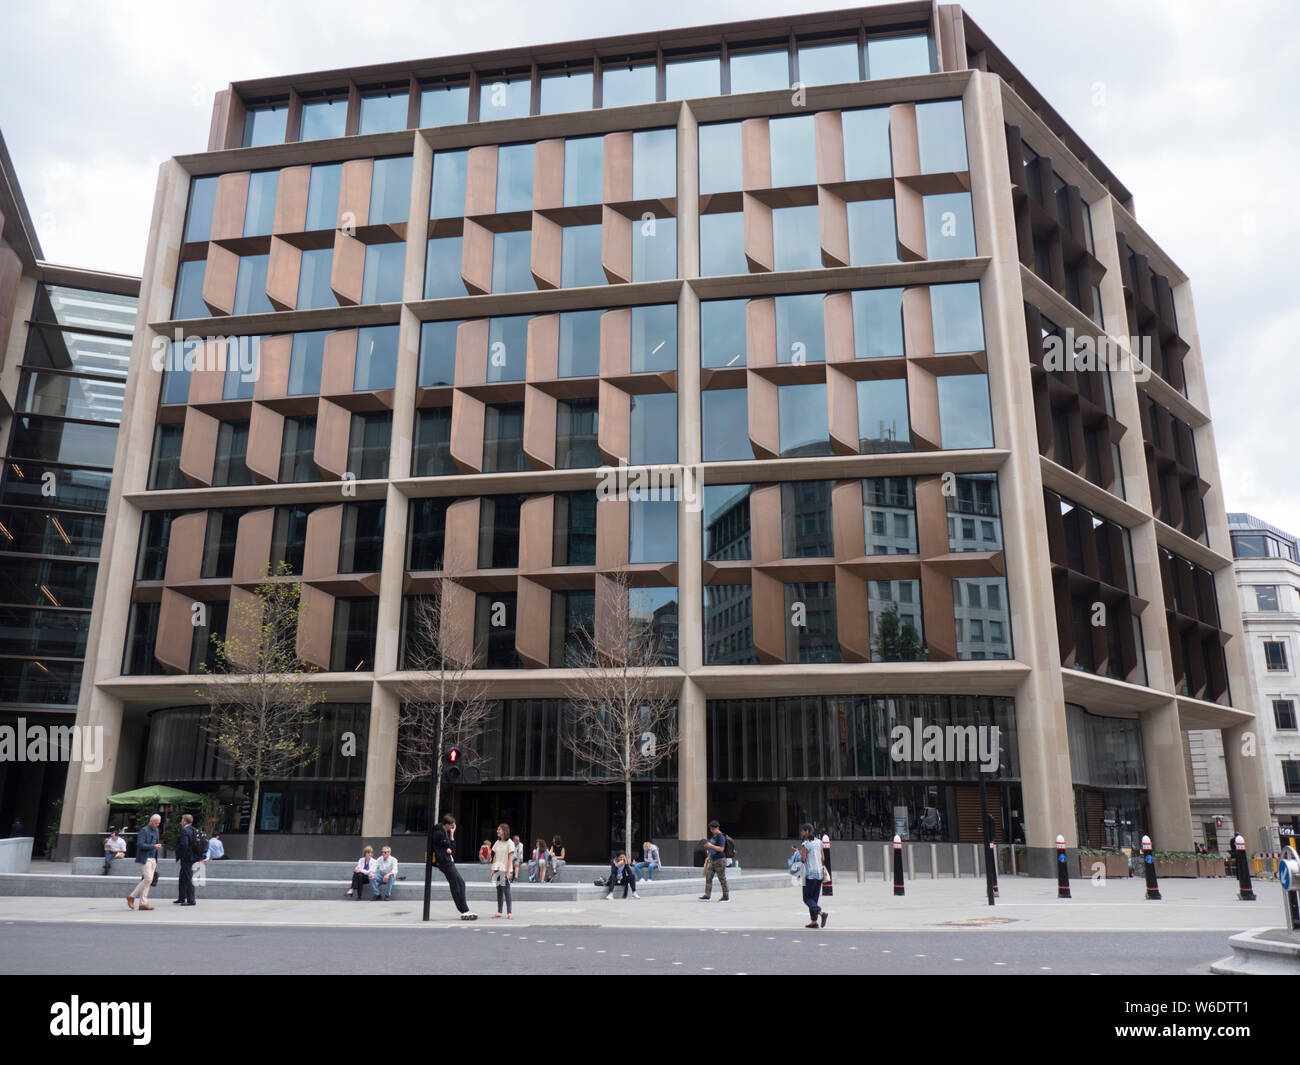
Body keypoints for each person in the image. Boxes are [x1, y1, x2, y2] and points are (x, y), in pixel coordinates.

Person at [432, 813, 476, 920]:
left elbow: (451, 849)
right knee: (456, 885)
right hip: (445, 862)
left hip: (447, 861)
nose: (452, 827)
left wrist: (449, 848)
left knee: (460, 883)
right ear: (447, 824)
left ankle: (464, 909)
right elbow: (450, 846)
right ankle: (464, 910)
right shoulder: (440, 833)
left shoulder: (443, 832)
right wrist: (452, 835)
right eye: (452, 825)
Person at [127, 813, 162, 911]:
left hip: (153, 858)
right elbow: (140, 844)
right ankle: (131, 896)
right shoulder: (144, 830)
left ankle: (143, 903)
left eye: (158, 823)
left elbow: (155, 842)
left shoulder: (156, 830)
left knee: (149, 881)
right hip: (145, 858)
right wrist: (153, 846)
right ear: (150, 821)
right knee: (148, 878)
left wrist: (156, 847)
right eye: (155, 823)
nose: (157, 825)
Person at [798, 822, 828, 929]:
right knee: (814, 898)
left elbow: (803, 858)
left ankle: (821, 913)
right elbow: (823, 858)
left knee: (806, 898)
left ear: (807, 831)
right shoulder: (819, 842)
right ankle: (814, 921)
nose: (802, 833)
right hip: (819, 874)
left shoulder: (805, 844)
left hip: (809, 874)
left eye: (803, 831)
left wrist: (798, 853)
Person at [174, 813, 204, 906]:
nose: (180, 822)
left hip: (186, 858)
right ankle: (181, 897)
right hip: (193, 857)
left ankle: (191, 900)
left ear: (184, 821)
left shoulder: (185, 831)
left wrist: (180, 854)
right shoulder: (194, 830)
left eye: (182, 820)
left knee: (187, 878)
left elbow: (184, 844)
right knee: (183, 877)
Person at [699, 820, 729, 901]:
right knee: (708, 877)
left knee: (722, 878)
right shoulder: (713, 837)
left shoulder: (721, 837)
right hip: (713, 859)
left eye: (713, 829)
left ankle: (726, 896)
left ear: (717, 828)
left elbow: (721, 849)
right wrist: (708, 856)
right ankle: (707, 895)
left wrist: (711, 845)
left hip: (720, 860)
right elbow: (711, 849)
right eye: (710, 829)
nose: (711, 831)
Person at [490, 823, 515, 919]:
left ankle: (509, 912)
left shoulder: (510, 843)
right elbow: (495, 856)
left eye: (499, 829)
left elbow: (510, 858)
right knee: (499, 891)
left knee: (507, 891)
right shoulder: (497, 843)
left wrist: (508, 872)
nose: (497, 831)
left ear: (504, 831)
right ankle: (499, 912)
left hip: (505, 870)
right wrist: (493, 869)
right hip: (498, 870)